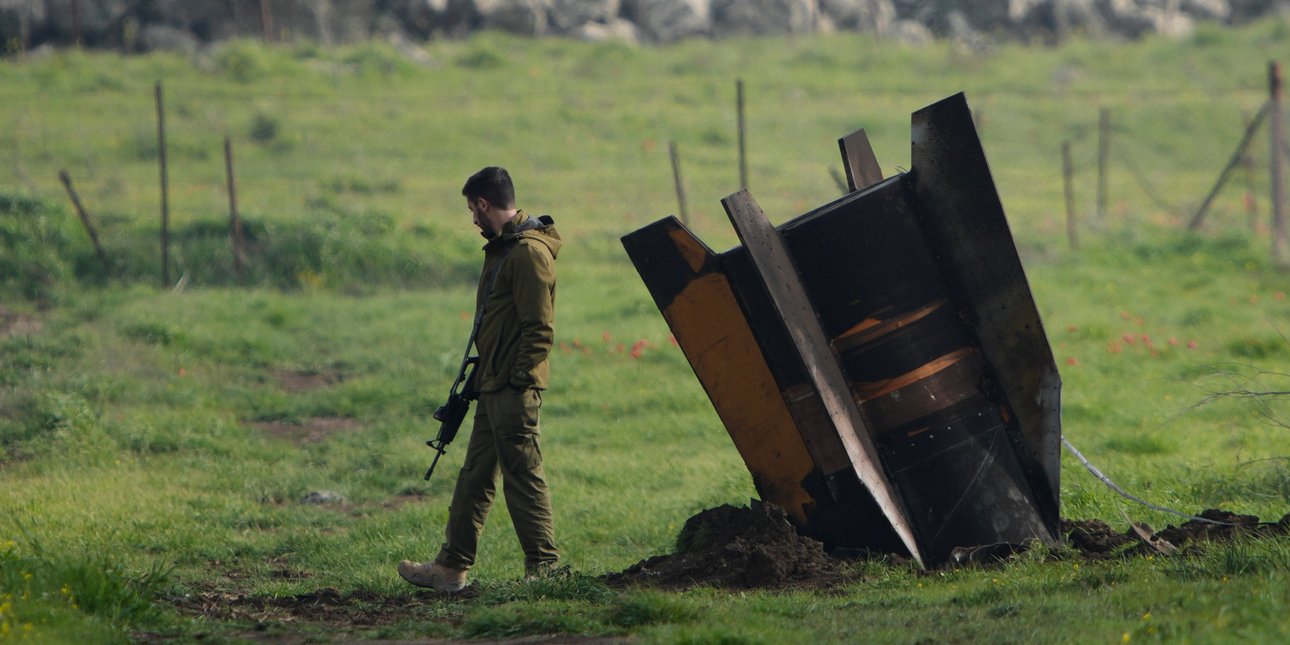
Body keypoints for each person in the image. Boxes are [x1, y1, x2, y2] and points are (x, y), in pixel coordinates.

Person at [399, 167, 562, 592]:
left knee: (523, 476)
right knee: (474, 476)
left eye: (474, 209)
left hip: (511, 389)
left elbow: (539, 328)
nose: (473, 219)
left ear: (485, 205)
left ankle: (544, 570)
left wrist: (517, 380)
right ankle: (450, 569)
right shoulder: (504, 250)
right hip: (492, 386)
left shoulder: (527, 253)